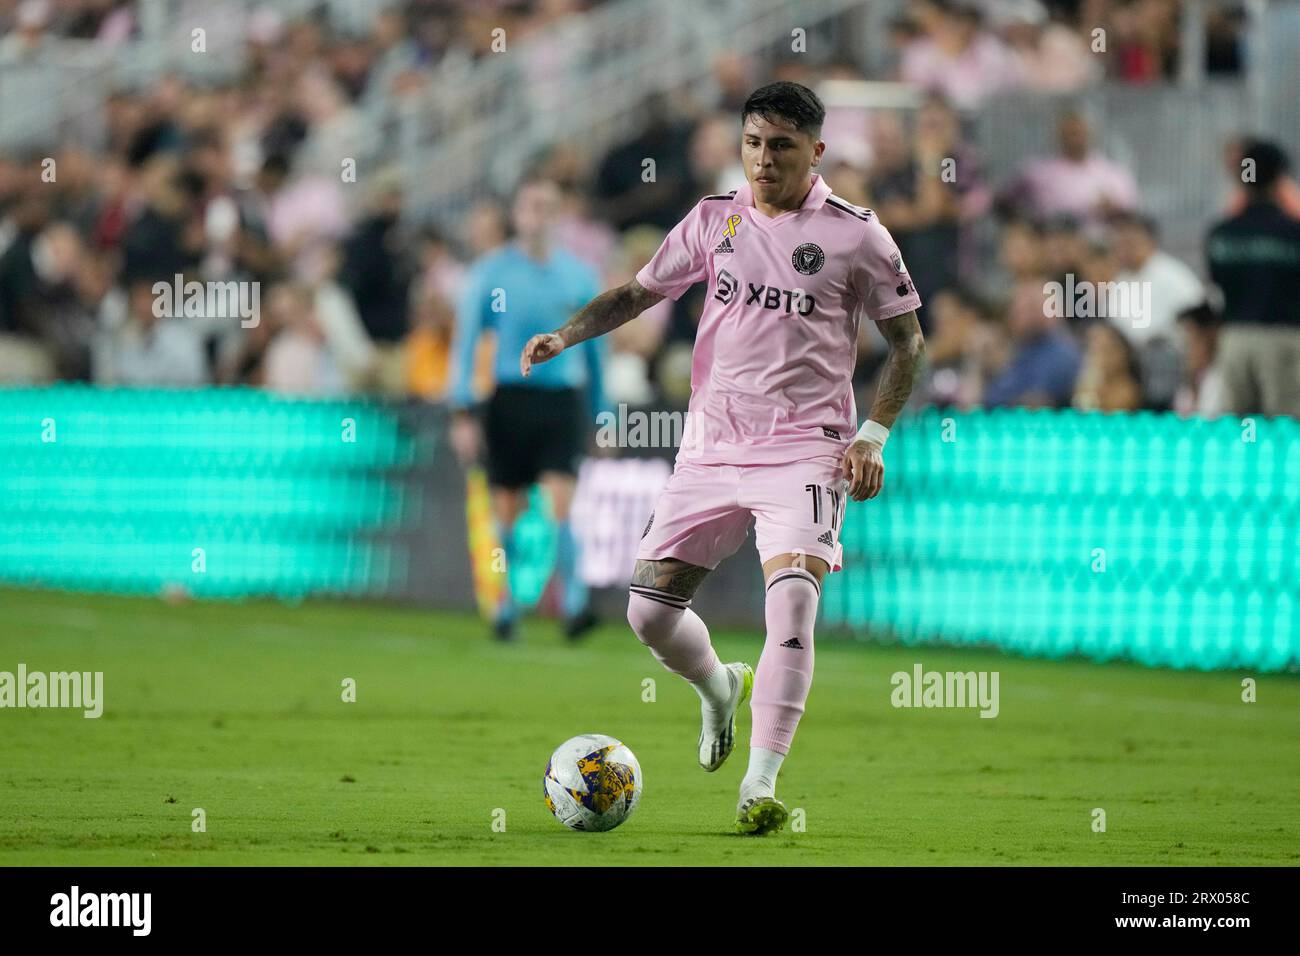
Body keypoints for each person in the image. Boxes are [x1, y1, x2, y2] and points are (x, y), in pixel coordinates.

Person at [519, 82, 925, 835]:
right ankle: (715, 687)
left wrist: (874, 435)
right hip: (711, 443)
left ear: (816, 152)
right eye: (753, 143)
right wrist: (566, 335)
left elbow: (907, 344)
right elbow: (640, 294)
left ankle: (760, 785)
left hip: (808, 448)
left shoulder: (858, 235)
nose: (764, 160)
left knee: (794, 600)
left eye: (781, 147)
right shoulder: (715, 218)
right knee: (648, 612)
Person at [449, 178, 608, 642]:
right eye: (531, 207)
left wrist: (604, 415)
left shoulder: (579, 276)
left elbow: (598, 351)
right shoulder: (491, 273)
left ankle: (575, 607)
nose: (538, 216)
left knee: (561, 502)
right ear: (517, 215)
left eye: (547, 206)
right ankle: (504, 605)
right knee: (507, 511)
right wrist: (461, 409)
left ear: (558, 215)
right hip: (509, 399)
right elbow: (465, 344)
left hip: (561, 400)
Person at [1205, 139, 1300, 417]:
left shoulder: (1222, 233)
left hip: (1235, 339)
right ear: (1280, 179)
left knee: (1240, 427)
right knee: (1285, 427)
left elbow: (1217, 282)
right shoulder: (1293, 233)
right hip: (1283, 338)